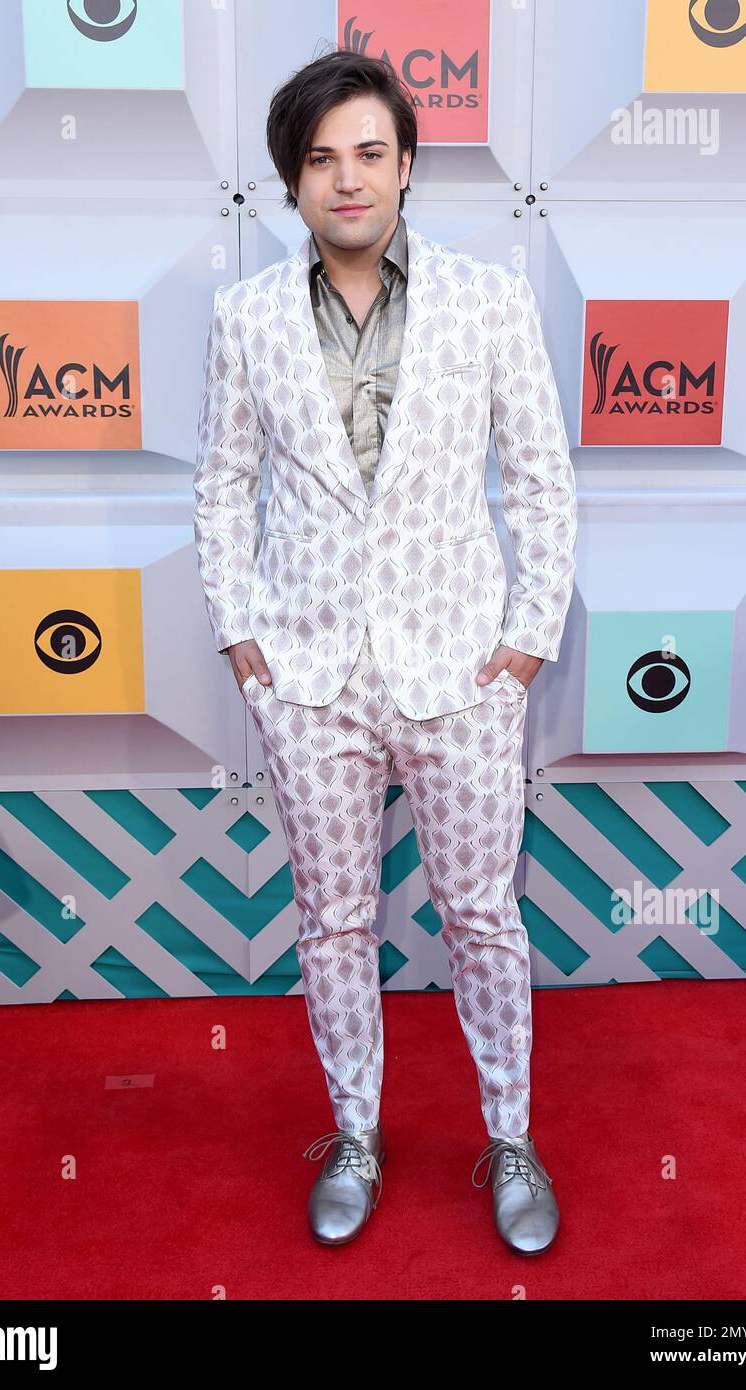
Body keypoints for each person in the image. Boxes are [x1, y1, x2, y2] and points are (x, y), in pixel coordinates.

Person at [193, 48, 577, 1254]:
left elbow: (540, 481)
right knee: (333, 923)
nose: (346, 179)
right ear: (290, 183)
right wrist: (242, 644)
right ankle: (353, 1131)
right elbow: (220, 487)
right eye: (320, 159)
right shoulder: (245, 315)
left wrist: (522, 645)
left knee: (481, 919)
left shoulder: (487, 300)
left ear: (407, 165)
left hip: (461, 671)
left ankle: (509, 1134)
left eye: (368, 153)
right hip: (308, 681)